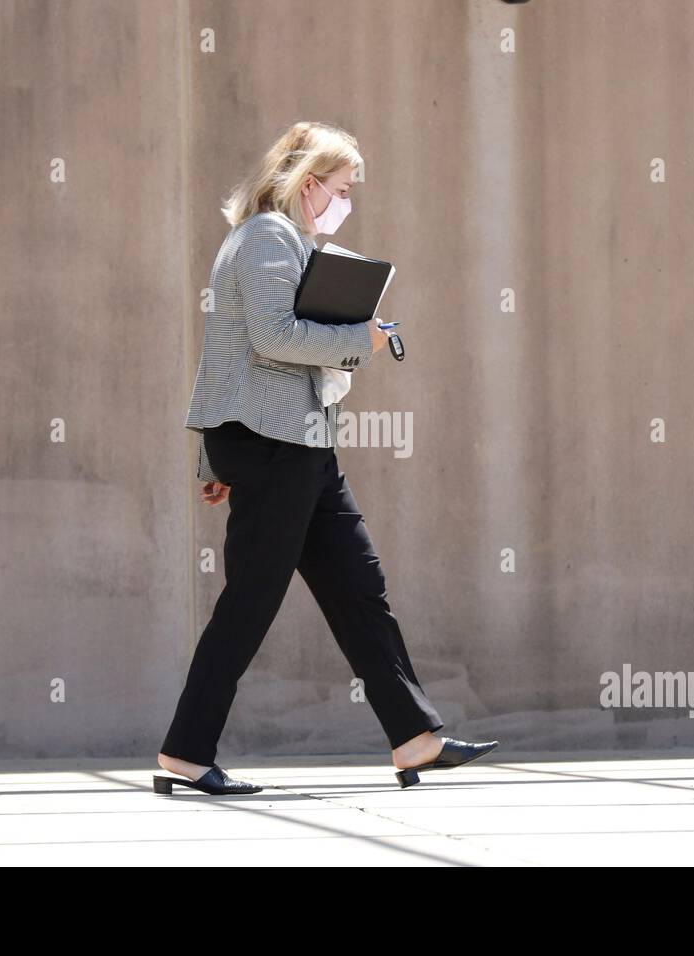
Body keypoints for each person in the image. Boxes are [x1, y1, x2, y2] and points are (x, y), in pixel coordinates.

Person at [154, 121, 497, 795]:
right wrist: (359, 340)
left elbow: (225, 354)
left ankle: (415, 738)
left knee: (357, 585)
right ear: (308, 185)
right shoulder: (264, 239)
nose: (347, 202)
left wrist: (213, 463)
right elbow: (271, 338)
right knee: (252, 599)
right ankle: (186, 752)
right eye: (340, 189)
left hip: (296, 442)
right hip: (275, 443)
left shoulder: (283, 240)